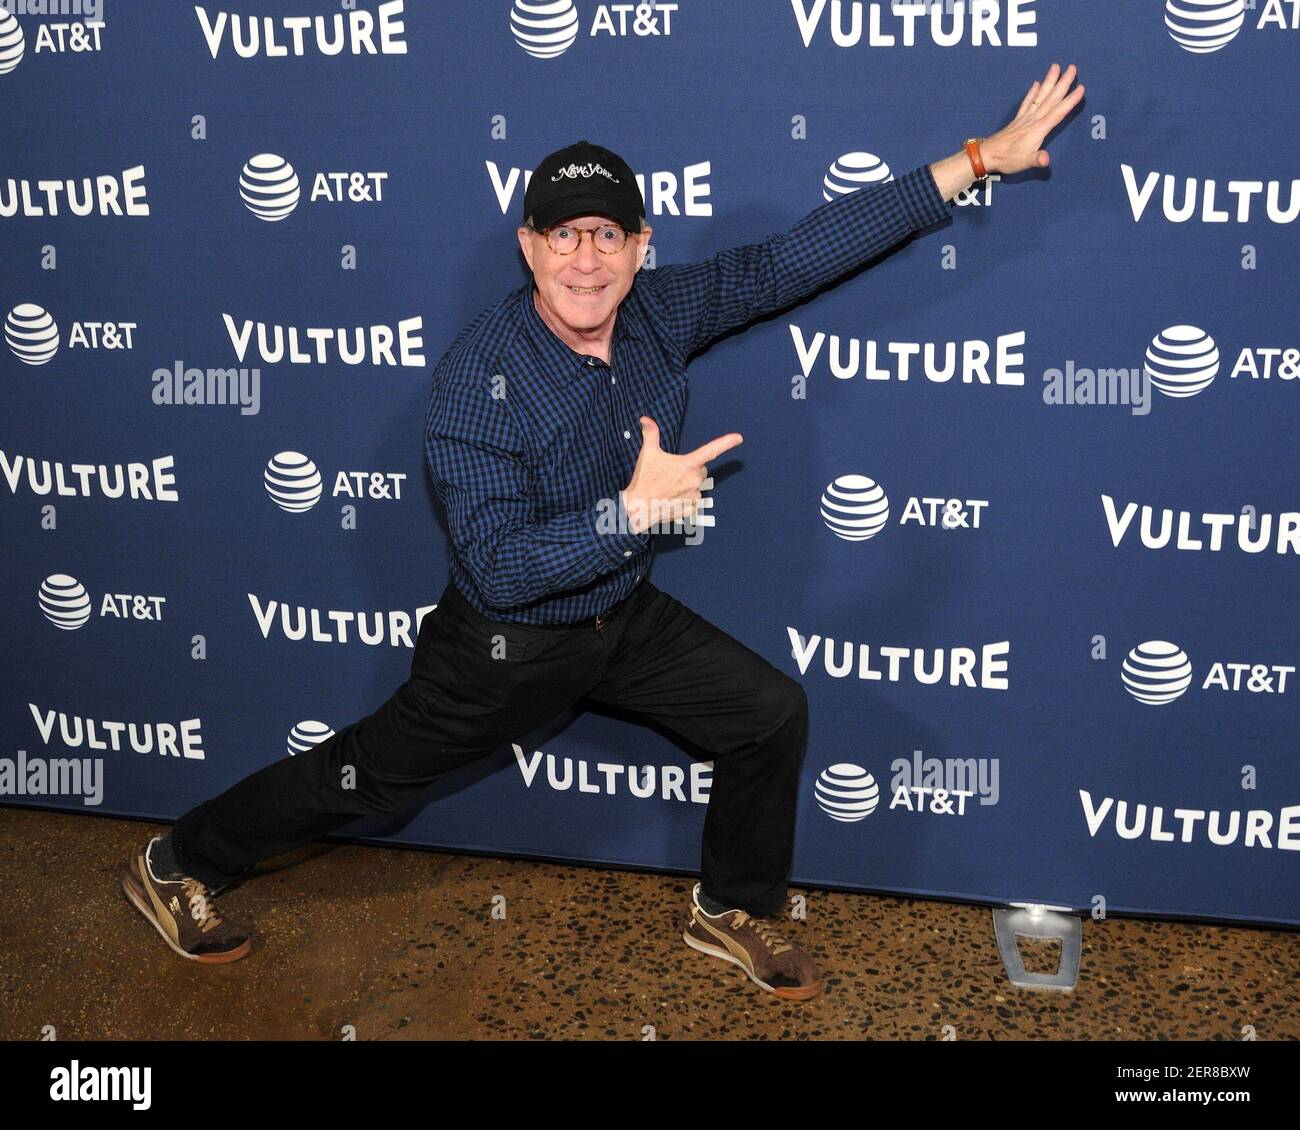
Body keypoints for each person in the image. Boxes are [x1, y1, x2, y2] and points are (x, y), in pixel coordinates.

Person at [122, 65, 1084, 1001]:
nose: (587, 258)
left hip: (621, 619)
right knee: (361, 779)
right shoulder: (476, 382)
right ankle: (176, 861)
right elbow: (496, 570)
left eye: (608, 235)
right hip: (500, 650)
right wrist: (628, 514)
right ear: (529, 247)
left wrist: (978, 160)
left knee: (767, 713)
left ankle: (731, 908)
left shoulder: (664, 309)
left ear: (638, 245)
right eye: (564, 236)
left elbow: (800, 256)